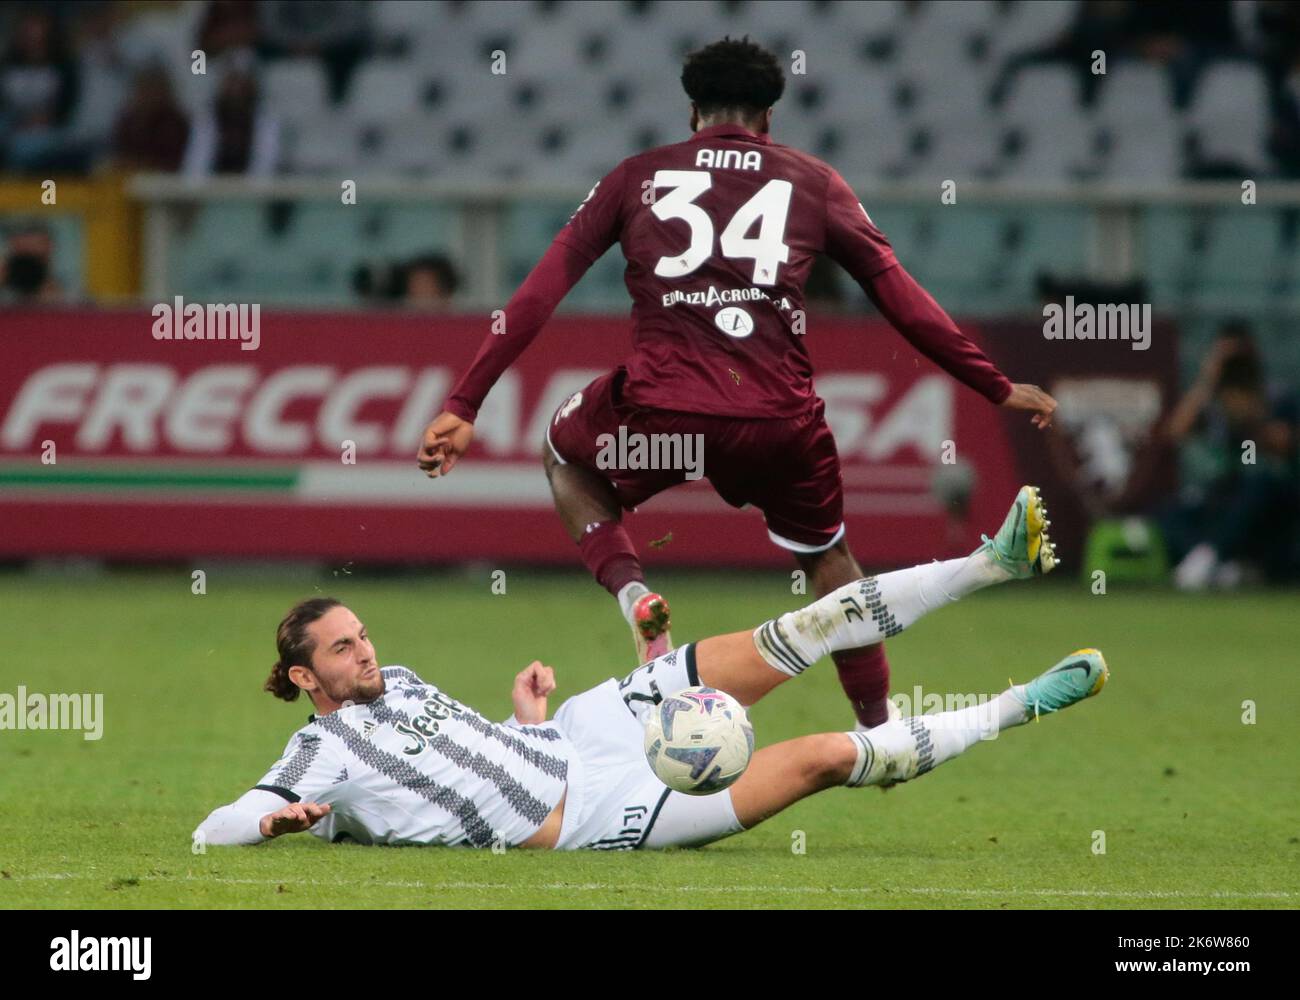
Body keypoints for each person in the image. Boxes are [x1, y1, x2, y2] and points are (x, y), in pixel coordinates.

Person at [416, 37, 1058, 733]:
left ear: (692, 112)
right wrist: (993, 385)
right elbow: (900, 297)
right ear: (769, 118)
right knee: (829, 561)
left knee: (567, 456)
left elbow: (539, 293)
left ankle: (634, 594)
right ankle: (877, 729)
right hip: (779, 424)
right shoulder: (815, 183)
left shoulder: (637, 177)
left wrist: (464, 403)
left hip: (661, 417)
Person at [193, 488, 1097, 852]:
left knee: (807, 624)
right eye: (344, 648)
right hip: (592, 814)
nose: (367, 651)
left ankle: (991, 563)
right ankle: (1021, 705)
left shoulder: (409, 682)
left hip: (584, 732)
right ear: (307, 678)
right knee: (825, 755)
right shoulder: (326, 753)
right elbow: (214, 828)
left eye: (363, 634)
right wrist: (276, 823)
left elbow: (473, 761)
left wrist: (528, 718)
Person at [1161, 323, 1299, 588]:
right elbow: (1176, 431)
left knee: (1258, 485)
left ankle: (1210, 556)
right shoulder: (1212, 399)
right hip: (1225, 489)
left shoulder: (1277, 395)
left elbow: (1284, 443)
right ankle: (1220, 563)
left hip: (1269, 495)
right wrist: (1208, 380)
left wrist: (1250, 416)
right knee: (1169, 514)